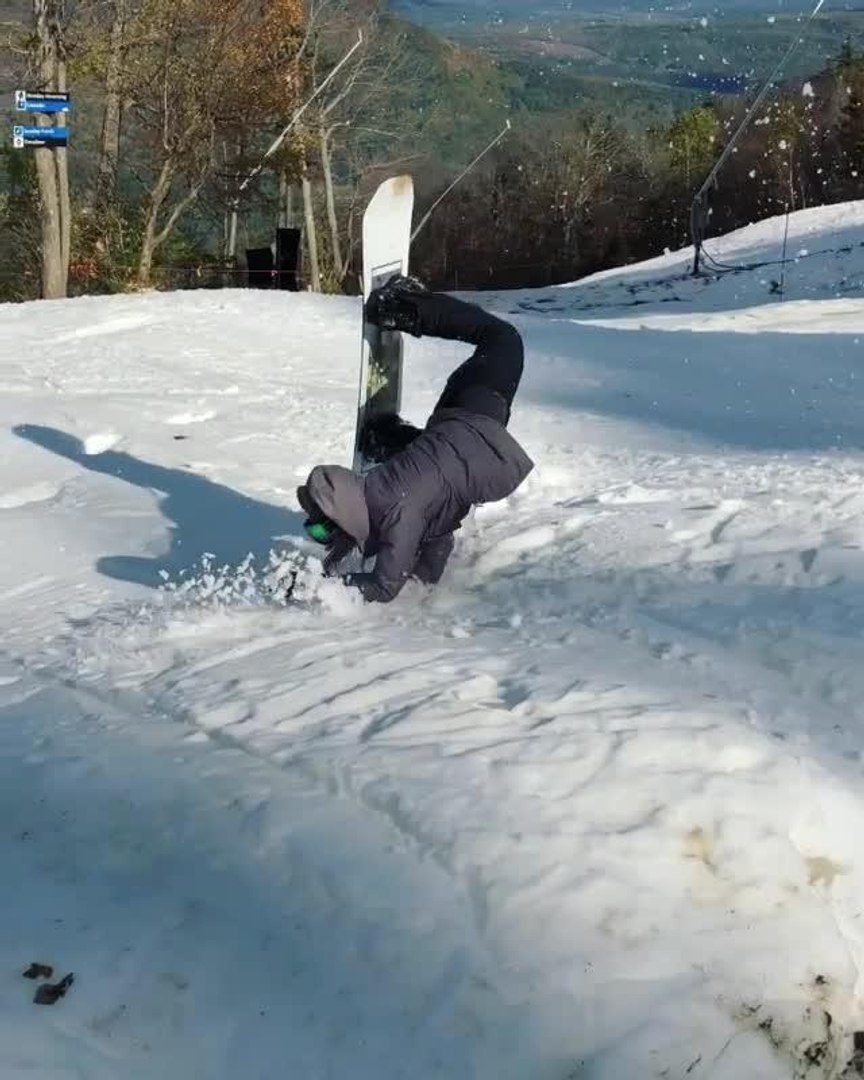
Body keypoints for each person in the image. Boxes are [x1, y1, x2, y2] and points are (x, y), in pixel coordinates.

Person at [296, 275, 533, 603]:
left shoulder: (398, 517)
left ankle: (395, 306)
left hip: (471, 421)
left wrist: (323, 589)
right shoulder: (378, 492)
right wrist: (423, 584)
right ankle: (386, 437)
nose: (320, 533)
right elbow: (438, 537)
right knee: (497, 342)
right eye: (320, 530)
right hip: (453, 424)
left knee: (503, 338)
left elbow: (384, 587)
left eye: (322, 528)